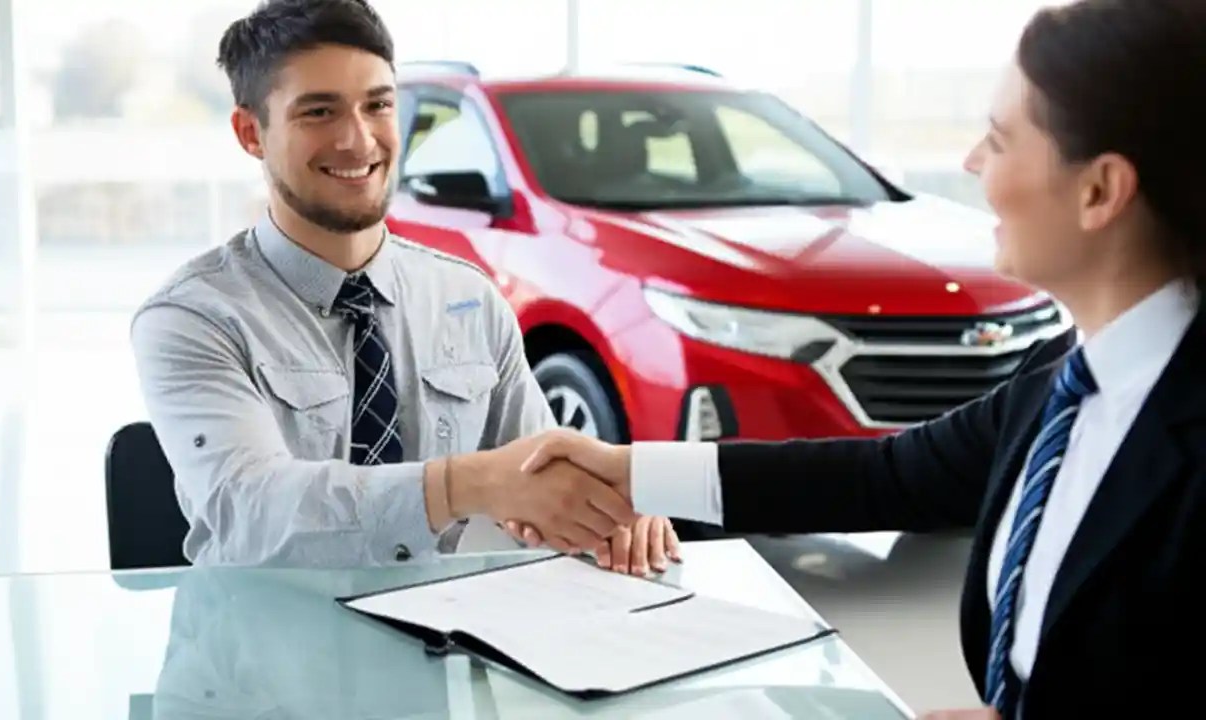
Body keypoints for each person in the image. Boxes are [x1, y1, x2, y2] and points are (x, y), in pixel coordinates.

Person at [514, 1, 1206, 717]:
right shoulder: (1064, 376)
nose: (971, 163)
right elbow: (883, 476)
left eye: (999, 141)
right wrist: (628, 472)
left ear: (1100, 191)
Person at [130, 0, 677, 572]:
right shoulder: (192, 317)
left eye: (378, 105)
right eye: (319, 112)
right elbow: (252, 513)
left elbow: (544, 479)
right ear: (251, 132)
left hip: (452, 638)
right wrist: (460, 484)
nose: (359, 140)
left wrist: (611, 507)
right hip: (268, 644)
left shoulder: (469, 301)